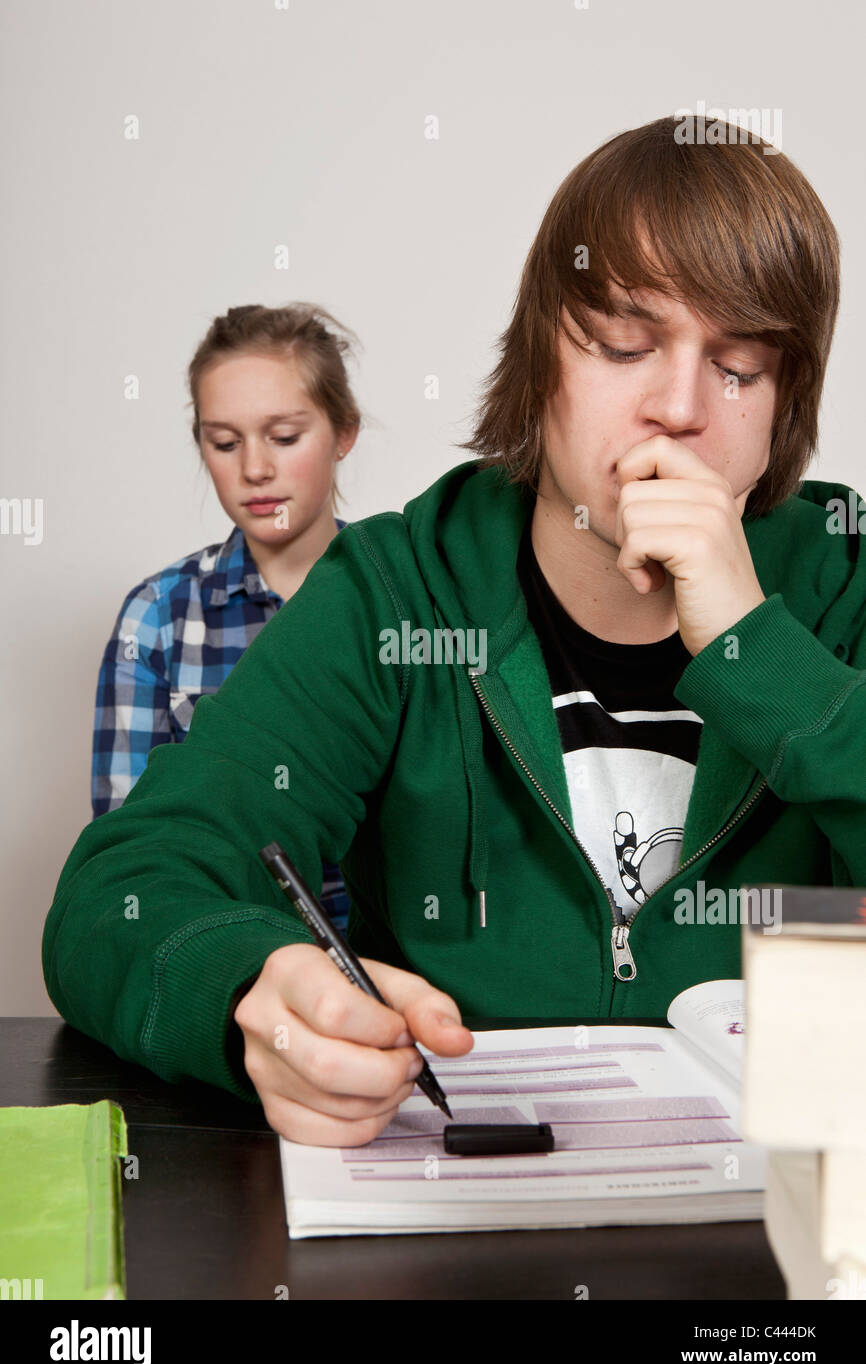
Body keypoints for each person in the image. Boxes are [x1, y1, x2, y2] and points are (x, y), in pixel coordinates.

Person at [45, 115, 866, 1151]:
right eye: (622, 344)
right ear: (543, 362)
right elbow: (117, 893)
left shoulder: (848, 572)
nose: (676, 407)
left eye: (738, 364)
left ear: (784, 398)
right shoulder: (398, 588)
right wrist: (250, 990)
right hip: (466, 1199)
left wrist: (756, 651)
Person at [91, 302, 360, 931]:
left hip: (396, 980)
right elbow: (129, 861)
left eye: (285, 437)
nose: (255, 469)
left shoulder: (408, 604)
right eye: (225, 442)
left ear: (343, 432)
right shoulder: (156, 617)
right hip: (230, 968)